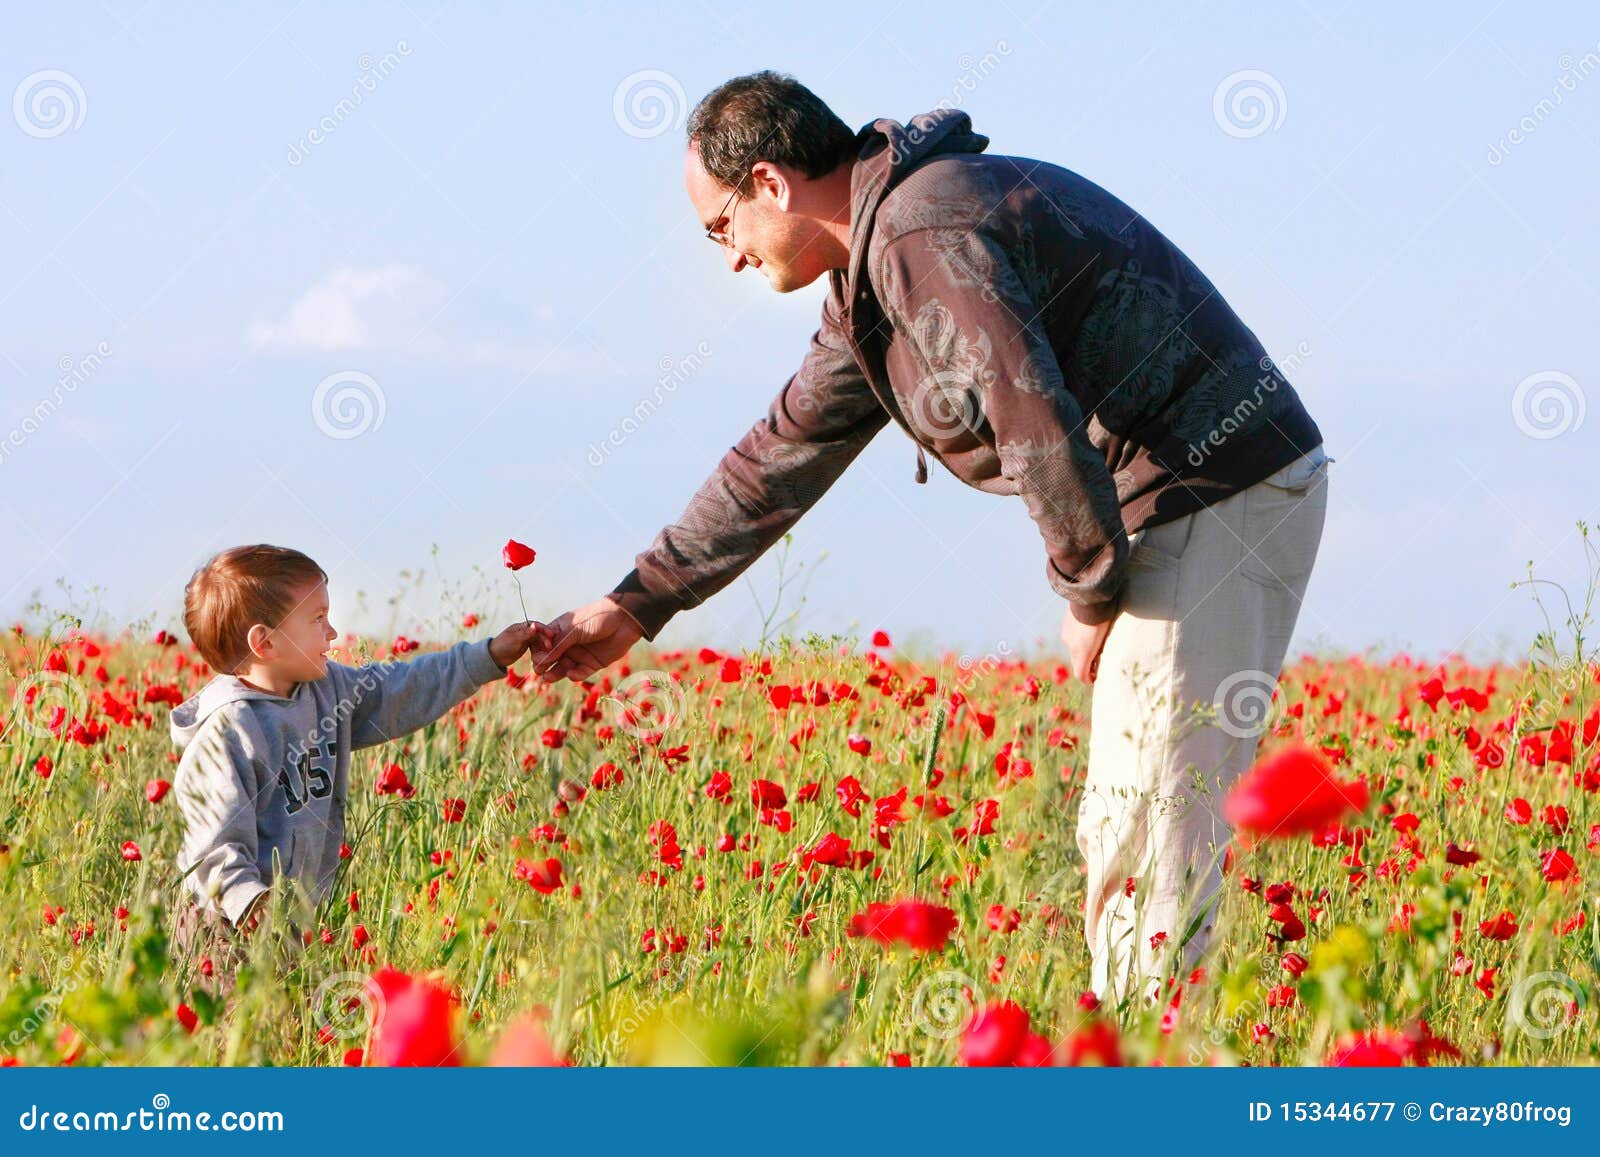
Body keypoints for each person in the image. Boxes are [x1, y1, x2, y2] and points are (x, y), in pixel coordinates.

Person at [532, 72, 1330, 1009]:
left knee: (1152, 829)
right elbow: (781, 452)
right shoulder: (875, 270)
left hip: (1211, 487)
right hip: (1170, 502)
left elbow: (1027, 413)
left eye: (721, 229)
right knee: (1132, 823)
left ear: (770, 184)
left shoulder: (919, 234)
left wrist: (1089, 586)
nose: (731, 260)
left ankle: (1149, 1084)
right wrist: (638, 599)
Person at [169, 543, 545, 990]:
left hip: (294, 921)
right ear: (265, 642)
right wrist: (255, 908)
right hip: (227, 932)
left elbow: (400, 689)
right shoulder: (229, 730)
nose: (332, 633)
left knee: (295, 1045)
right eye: (317, 619)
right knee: (237, 1051)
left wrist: (489, 655)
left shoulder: (326, 690)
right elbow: (214, 848)